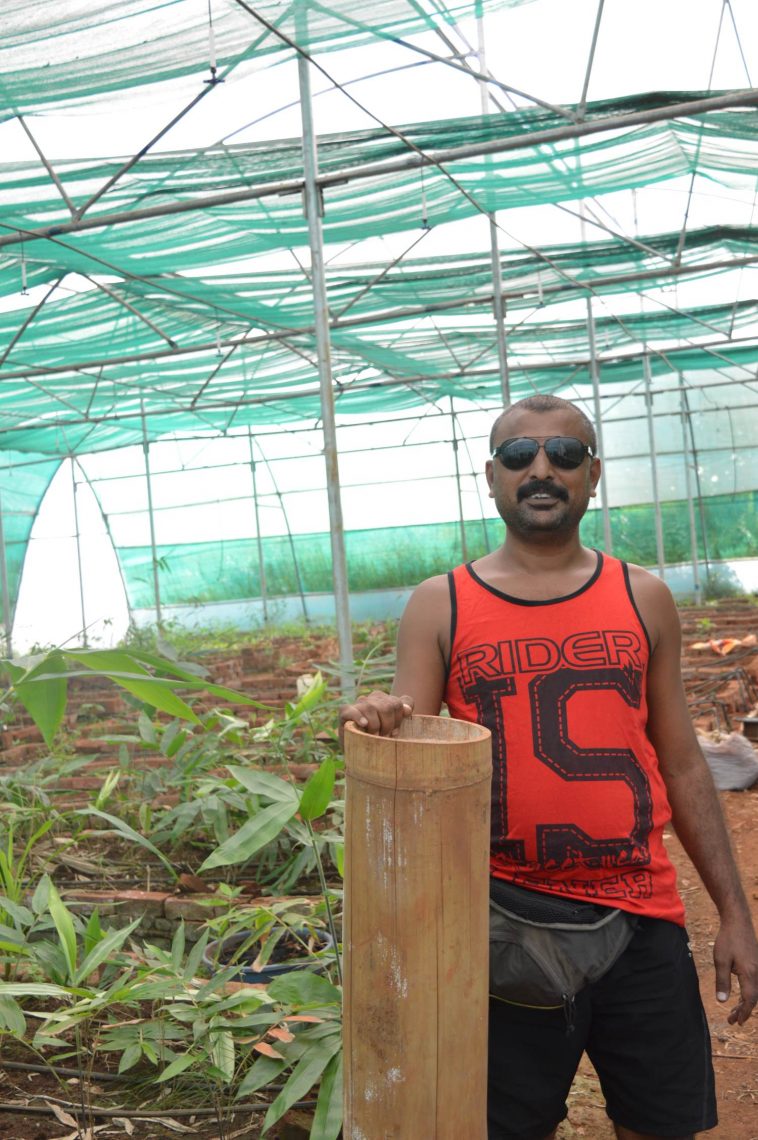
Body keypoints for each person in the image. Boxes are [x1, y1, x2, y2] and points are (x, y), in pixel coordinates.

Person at [340, 394, 758, 1140]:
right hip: (501, 926)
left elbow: (685, 763)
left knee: (662, 1125)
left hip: (641, 920)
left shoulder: (644, 597)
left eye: (564, 455)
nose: (541, 470)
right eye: (518, 456)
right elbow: (411, 744)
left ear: (593, 475)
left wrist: (734, 913)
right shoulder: (442, 606)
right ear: (492, 477)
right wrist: (380, 722)